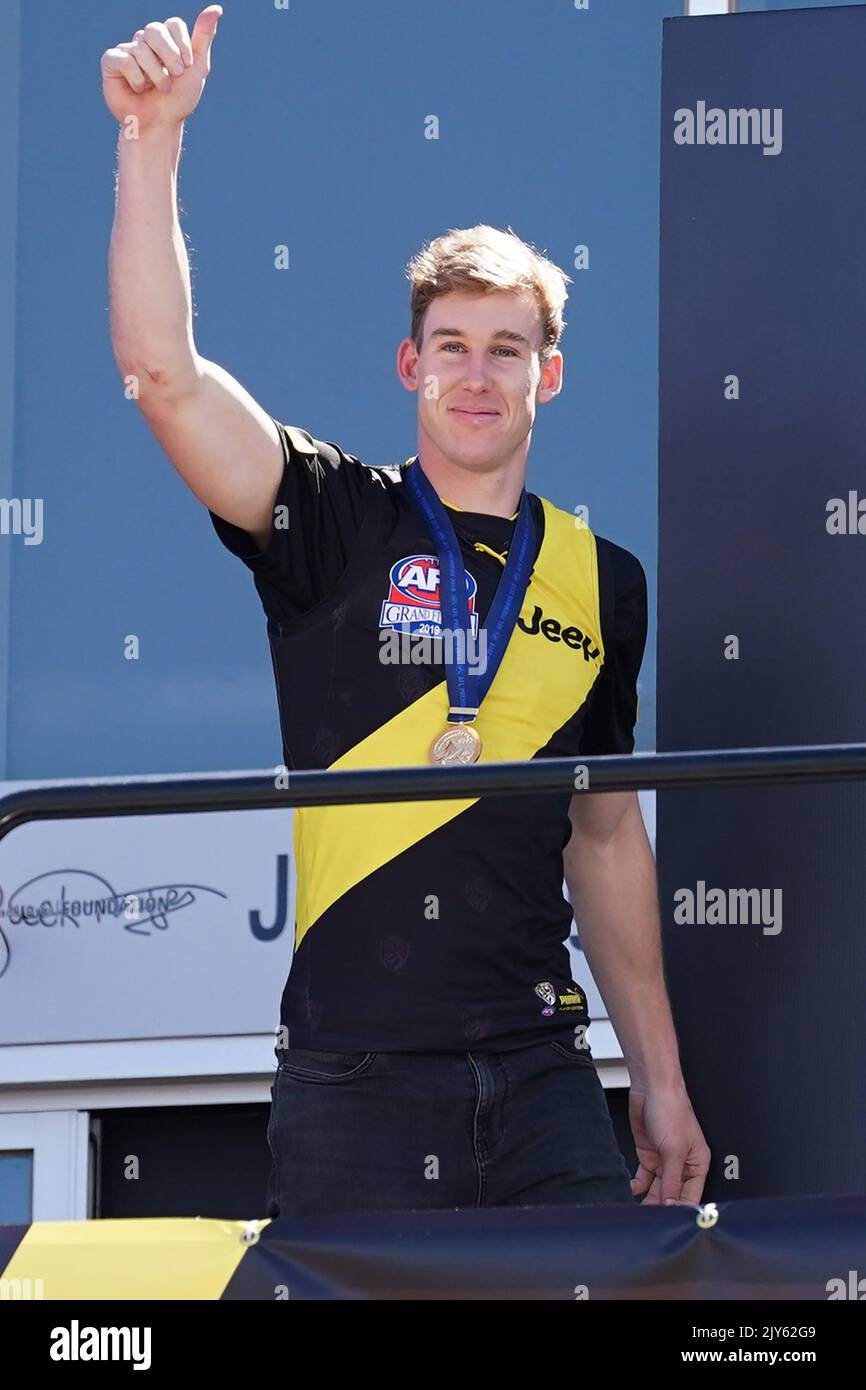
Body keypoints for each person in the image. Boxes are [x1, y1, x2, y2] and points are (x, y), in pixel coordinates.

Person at [103, 7, 711, 1217]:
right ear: (407, 366)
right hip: (354, 1080)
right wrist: (149, 142)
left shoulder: (603, 578)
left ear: (548, 371)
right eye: (450, 346)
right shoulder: (330, 517)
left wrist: (658, 1077)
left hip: (543, 1075)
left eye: (505, 348)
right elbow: (162, 375)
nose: (475, 375)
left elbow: (601, 836)